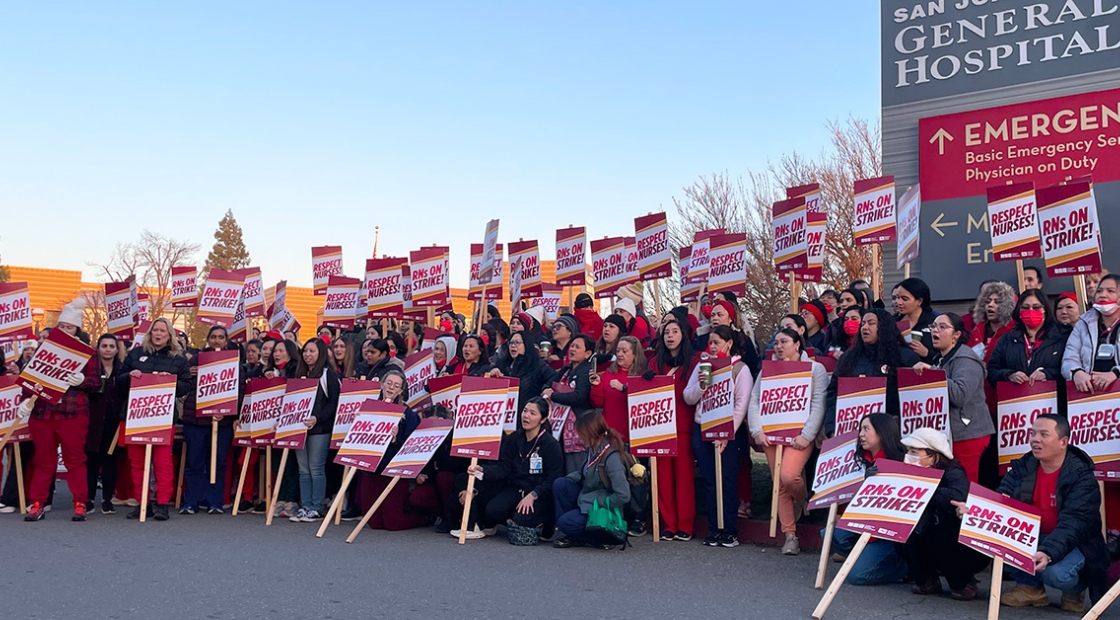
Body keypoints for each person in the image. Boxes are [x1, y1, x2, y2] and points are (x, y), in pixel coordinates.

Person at [969, 415, 1108, 612]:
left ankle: (1075, 590)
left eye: (1044, 434)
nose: (1035, 439)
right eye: (1032, 434)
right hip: (1031, 537)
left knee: (1056, 574)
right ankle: (1030, 588)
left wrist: (1048, 552)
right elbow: (1002, 496)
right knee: (993, 538)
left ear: (1063, 442)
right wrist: (974, 510)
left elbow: (1074, 525)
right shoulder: (1023, 467)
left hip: (1074, 543)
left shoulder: (1081, 478)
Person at [748, 326, 828, 555]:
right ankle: (790, 536)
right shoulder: (767, 370)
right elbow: (755, 401)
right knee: (780, 485)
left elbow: (819, 403)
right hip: (771, 436)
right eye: (776, 343)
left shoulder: (815, 369)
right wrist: (757, 431)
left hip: (799, 436)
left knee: (788, 476)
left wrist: (807, 435)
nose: (779, 346)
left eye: (784, 342)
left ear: (797, 344)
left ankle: (802, 498)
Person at [20, 299, 99, 522]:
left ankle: (80, 503)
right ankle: (37, 502)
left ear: (77, 329)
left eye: (70, 327)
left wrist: (82, 381)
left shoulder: (88, 353)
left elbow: (96, 383)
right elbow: (31, 379)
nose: (65, 330)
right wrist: (25, 401)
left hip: (73, 414)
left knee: (75, 459)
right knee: (42, 460)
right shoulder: (43, 349)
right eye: (62, 326)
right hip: (43, 413)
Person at [114, 318, 192, 521]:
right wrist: (129, 376)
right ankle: (143, 503)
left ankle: (162, 503)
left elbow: (186, 386)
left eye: (162, 331)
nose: (158, 334)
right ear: (150, 333)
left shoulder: (178, 359)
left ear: (169, 335)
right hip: (136, 417)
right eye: (155, 330)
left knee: (162, 462)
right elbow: (118, 382)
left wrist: (171, 381)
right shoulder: (136, 354)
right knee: (137, 463)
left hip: (162, 418)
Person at [683, 325, 753, 548]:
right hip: (702, 427)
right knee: (711, 481)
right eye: (710, 342)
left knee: (727, 480)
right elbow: (688, 397)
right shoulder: (702, 366)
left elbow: (741, 404)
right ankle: (714, 528)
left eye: (717, 342)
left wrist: (726, 432)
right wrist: (702, 386)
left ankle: (729, 530)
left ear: (729, 344)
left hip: (730, 433)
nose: (712, 347)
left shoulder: (740, 369)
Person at [898, 428, 987, 600]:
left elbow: (956, 496)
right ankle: (926, 580)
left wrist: (921, 488)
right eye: (908, 451)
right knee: (901, 532)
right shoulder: (906, 471)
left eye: (914, 452)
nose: (908, 456)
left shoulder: (953, 472)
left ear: (933, 456)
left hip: (952, 539)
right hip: (923, 533)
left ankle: (963, 583)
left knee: (943, 538)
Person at [458, 398, 563, 539]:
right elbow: (503, 467)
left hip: (539, 493)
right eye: (525, 411)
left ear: (542, 419)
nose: (526, 416)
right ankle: (514, 520)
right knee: (493, 510)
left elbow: (554, 478)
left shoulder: (550, 445)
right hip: (516, 489)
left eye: (532, 413)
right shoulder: (514, 438)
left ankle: (544, 524)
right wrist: (483, 470)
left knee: (522, 519)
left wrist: (534, 494)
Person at [913, 313, 994, 483]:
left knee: (964, 484)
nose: (935, 330)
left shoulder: (966, 360)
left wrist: (933, 374)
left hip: (967, 434)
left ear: (956, 335)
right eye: (933, 326)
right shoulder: (941, 358)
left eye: (942, 327)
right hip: (952, 434)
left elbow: (959, 395)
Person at [829, 413, 909, 584]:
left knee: (856, 576)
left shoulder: (901, 462)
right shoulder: (863, 460)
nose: (861, 434)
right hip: (865, 527)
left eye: (866, 429)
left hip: (888, 535)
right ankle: (865, 558)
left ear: (882, 432)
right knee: (829, 534)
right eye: (861, 429)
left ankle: (906, 568)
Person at [589, 335, 649, 535]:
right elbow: (598, 402)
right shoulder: (608, 373)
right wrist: (597, 385)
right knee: (614, 477)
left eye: (625, 351)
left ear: (635, 354)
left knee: (636, 476)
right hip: (612, 436)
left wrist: (624, 388)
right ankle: (618, 516)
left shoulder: (641, 375)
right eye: (618, 351)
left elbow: (643, 398)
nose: (620, 354)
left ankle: (638, 518)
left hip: (635, 434)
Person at [824, 309, 919, 436]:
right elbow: (833, 393)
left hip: (891, 433)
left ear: (884, 327)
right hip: (851, 433)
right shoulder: (848, 357)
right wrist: (831, 428)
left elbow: (913, 398)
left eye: (871, 323)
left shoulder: (905, 357)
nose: (865, 327)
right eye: (863, 323)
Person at [647, 314, 699, 541]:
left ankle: (685, 525)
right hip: (659, 427)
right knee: (663, 477)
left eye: (675, 332)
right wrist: (647, 380)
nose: (670, 336)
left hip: (683, 426)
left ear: (683, 335)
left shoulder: (694, 364)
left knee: (684, 477)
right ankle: (668, 524)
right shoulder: (654, 363)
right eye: (666, 332)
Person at [179, 326, 239, 515]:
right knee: (194, 462)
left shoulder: (233, 362)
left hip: (221, 424)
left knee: (218, 463)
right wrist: (190, 373)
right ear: (208, 339)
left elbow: (239, 390)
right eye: (213, 337)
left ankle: (215, 502)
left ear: (226, 340)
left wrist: (228, 413)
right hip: (196, 421)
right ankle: (192, 501)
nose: (217, 340)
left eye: (221, 337)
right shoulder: (197, 359)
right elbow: (183, 386)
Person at [552, 412, 632, 549]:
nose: (578, 438)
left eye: (581, 434)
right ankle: (569, 533)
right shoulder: (592, 449)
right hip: (589, 497)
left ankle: (603, 538)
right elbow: (585, 473)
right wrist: (568, 479)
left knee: (565, 523)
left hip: (601, 506)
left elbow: (624, 495)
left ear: (591, 434)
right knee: (560, 484)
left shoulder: (612, 459)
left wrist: (599, 502)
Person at [357, 369, 425, 531]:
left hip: (393, 472)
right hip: (371, 470)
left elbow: (411, 448)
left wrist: (395, 440)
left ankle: (425, 518)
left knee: (392, 523)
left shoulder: (408, 414)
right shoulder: (369, 407)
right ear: (382, 385)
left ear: (400, 391)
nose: (391, 388)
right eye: (389, 383)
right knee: (373, 523)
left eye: (396, 385)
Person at [987, 289, 1069, 413]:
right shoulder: (1007, 339)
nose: (1030, 311)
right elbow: (992, 372)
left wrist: (1047, 374)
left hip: (1054, 408)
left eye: (1036, 307)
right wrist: (1009, 375)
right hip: (1015, 410)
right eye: (1025, 307)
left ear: (1045, 310)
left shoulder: (1061, 337)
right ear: (1019, 311)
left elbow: (1069, 370)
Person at [289, 337, 341, 522]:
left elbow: (334, 403)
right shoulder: (298, 374)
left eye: (312, 351)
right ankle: (306, 506)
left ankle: (316, 507)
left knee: (316, 469)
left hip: (320, 429)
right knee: (303, 470)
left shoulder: (328, 375)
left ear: (321, 353)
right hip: (299, 428)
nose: (307, 355)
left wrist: (317, 418)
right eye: (305, 351)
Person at [544, 334, 597, 473]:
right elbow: (549, 383)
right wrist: (546, 390)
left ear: (587, 354)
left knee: (576, 470)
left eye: (577, 347)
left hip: (578, 428)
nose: (572, 349)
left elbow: (579, 396)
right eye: (572, 346)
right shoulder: (566, 370)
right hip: (559, 426)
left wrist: (554, 395)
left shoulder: (587, 371)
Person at [84, 333, 123, 514]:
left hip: (114, 422)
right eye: (104, 346)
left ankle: (107, 499)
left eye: (111, 346)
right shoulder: (90, 369)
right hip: (92, 421)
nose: (108, 349)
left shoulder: (122, 369)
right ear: (98, 348)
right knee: (91, 461)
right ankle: (88, 499)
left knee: (110, 462)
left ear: (116, 349)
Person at [1063, 273, 1120, 394]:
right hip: (1089, 395)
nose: (1103, 295)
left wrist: (1115, 373)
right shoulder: (1083, 324)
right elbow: (1069, 358)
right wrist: (1076, 372)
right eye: (1099, 291)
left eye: (1110, 291)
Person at [490, 331, 557, 414]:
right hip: (505, 413)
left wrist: (545, 389)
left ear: (526, 344)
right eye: (511, 343)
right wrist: (493, 373)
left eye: (517, 342)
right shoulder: (503, 364)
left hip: (527, 414)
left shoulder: (536, 364)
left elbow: (554, 377)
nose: (513, 345)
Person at [967, 280, 1017, 361]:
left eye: (997, 302)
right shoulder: (976, 331)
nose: (990, 305)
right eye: (988, 301)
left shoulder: (1014, 334)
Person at [892, 277, 937, 363]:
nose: (898, 302)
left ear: (919, 301)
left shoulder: (934, 322)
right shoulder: (893, 322)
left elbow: (946, 352)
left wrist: (927, 353)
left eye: (904, 299)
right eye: (897, 298)